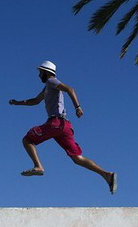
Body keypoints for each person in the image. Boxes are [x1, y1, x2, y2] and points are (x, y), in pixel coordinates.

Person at [9, 60, 117, 194]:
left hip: (55, 123)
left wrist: (77, 107)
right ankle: (106, 174)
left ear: (46, 72)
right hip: (64, 126)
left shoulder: (51, 81)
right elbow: (35, 101)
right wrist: (17, 103)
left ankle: (38, 166)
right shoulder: (48, 87)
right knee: (77, 158)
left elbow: (69, 89)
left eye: (40, 72)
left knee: (27, 140)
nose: (39, 76)